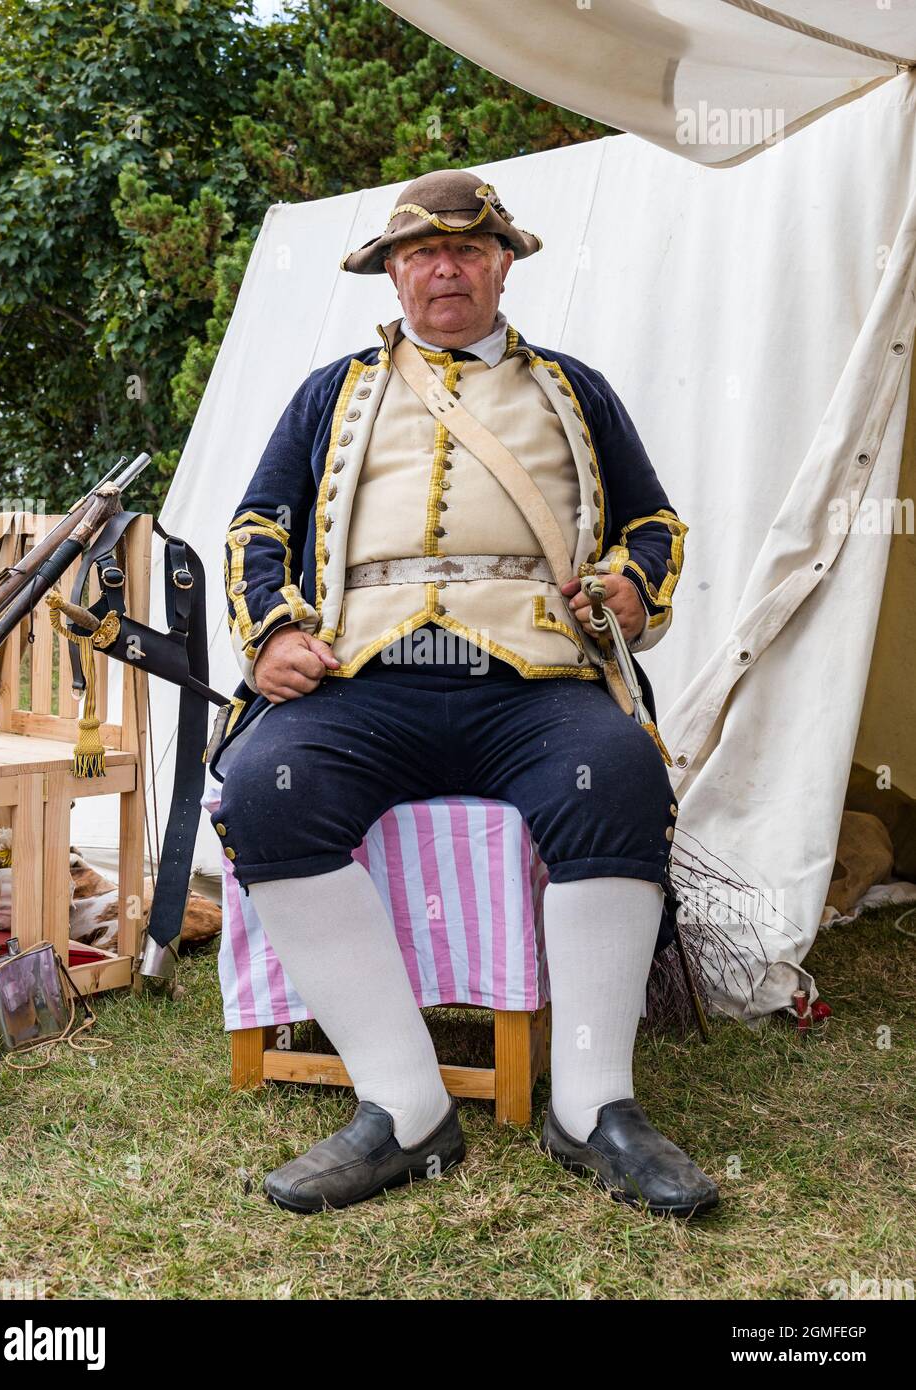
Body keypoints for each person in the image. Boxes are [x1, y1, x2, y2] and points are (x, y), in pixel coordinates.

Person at [206, 169, 718, 1218]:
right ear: (394, 274)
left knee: (617, 771)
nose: (445, 269)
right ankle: (405, 1109)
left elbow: (653, 524)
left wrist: (630, 584)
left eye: (469, 250)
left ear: (502, 267)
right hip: (364, 682)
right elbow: (258, 526)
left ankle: (592, 1107)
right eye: (422, 254)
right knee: (266, 787)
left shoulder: (574, 389)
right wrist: (276, 633)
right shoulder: (330, 392)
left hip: (532, 682)